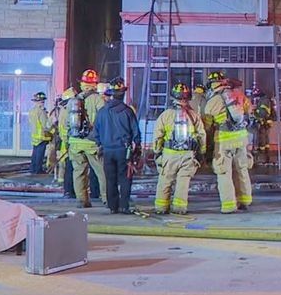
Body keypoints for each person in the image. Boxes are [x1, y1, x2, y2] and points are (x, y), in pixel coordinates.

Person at [202, 71, 253, 213]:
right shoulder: (239, 95)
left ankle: (229, 205)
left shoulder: (214, 101)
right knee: (242, 170)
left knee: (224, 172)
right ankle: (245, 200)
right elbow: (250, 112)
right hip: (242, 139)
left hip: (224, 141)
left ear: (212, 84)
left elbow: (207, 123)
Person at [152, 83, 206, 215]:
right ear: (187, 98)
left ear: (173, 97)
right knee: (183, 181)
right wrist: (201, 153)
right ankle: (179, 208)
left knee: (165, 180)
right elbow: (202, 135)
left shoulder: (165, 115)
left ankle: (161, 207)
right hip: (188, 154)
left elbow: (158, 136)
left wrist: (157, 152)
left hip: (170, 155)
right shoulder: (194, 116)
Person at [90, 77, 141, 214]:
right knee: (125, 178)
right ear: (123, 94)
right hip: (124, 151)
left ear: (111, 94)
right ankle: (124, 206)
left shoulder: (102, 112)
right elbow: (136, 132)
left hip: (107, 151)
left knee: (110, 179)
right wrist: (138, 150)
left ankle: (113, 207)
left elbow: (95, 133)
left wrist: (101, 144)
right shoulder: (128, 111)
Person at [66, 69, 108, 207]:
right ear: (95, 84)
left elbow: (66, 123)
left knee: (78, 172)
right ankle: (107, 198)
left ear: (82, 84)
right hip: (91, 142)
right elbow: (103, 121)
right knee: (101, 171)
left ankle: (82, 200)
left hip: (75, 142)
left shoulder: (73, 100)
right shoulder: (98, 100)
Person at [56, 87, 76, 198]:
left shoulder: (64, 111)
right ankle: (69, 190)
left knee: (68, 167)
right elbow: (65, 129)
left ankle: (68, 190)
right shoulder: (66, 112)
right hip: (68, 143)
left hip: (67, 143)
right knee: (69, 167)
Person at [28, 91, 53, 175]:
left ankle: (33, 168)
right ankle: (38, 170)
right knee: (40, 154)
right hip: (42, 136)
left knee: (35, 153)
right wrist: (53, 129)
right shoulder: (41, 112)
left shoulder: (32, 111)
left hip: (35, 135)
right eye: (41, 101)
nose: (42, 102)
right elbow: (46, 125)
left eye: (43, 101)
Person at [250, 86, 274, 164]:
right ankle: (265, 152)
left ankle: (262, 153)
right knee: (265, 137)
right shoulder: (265, 99)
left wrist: (255, 113)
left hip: (264, 122)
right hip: (266, 121)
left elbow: (263, 112)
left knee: (262, 137)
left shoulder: (264, 100)